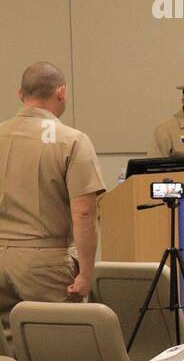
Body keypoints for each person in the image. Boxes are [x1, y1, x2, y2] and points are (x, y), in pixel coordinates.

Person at [0, 63, 106, 346]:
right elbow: (84, 212)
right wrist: (85, 273)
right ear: (61, 92)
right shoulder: (72, 140)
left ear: (20, 93)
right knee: (59, 348)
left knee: (9, 354)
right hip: (44, 263)